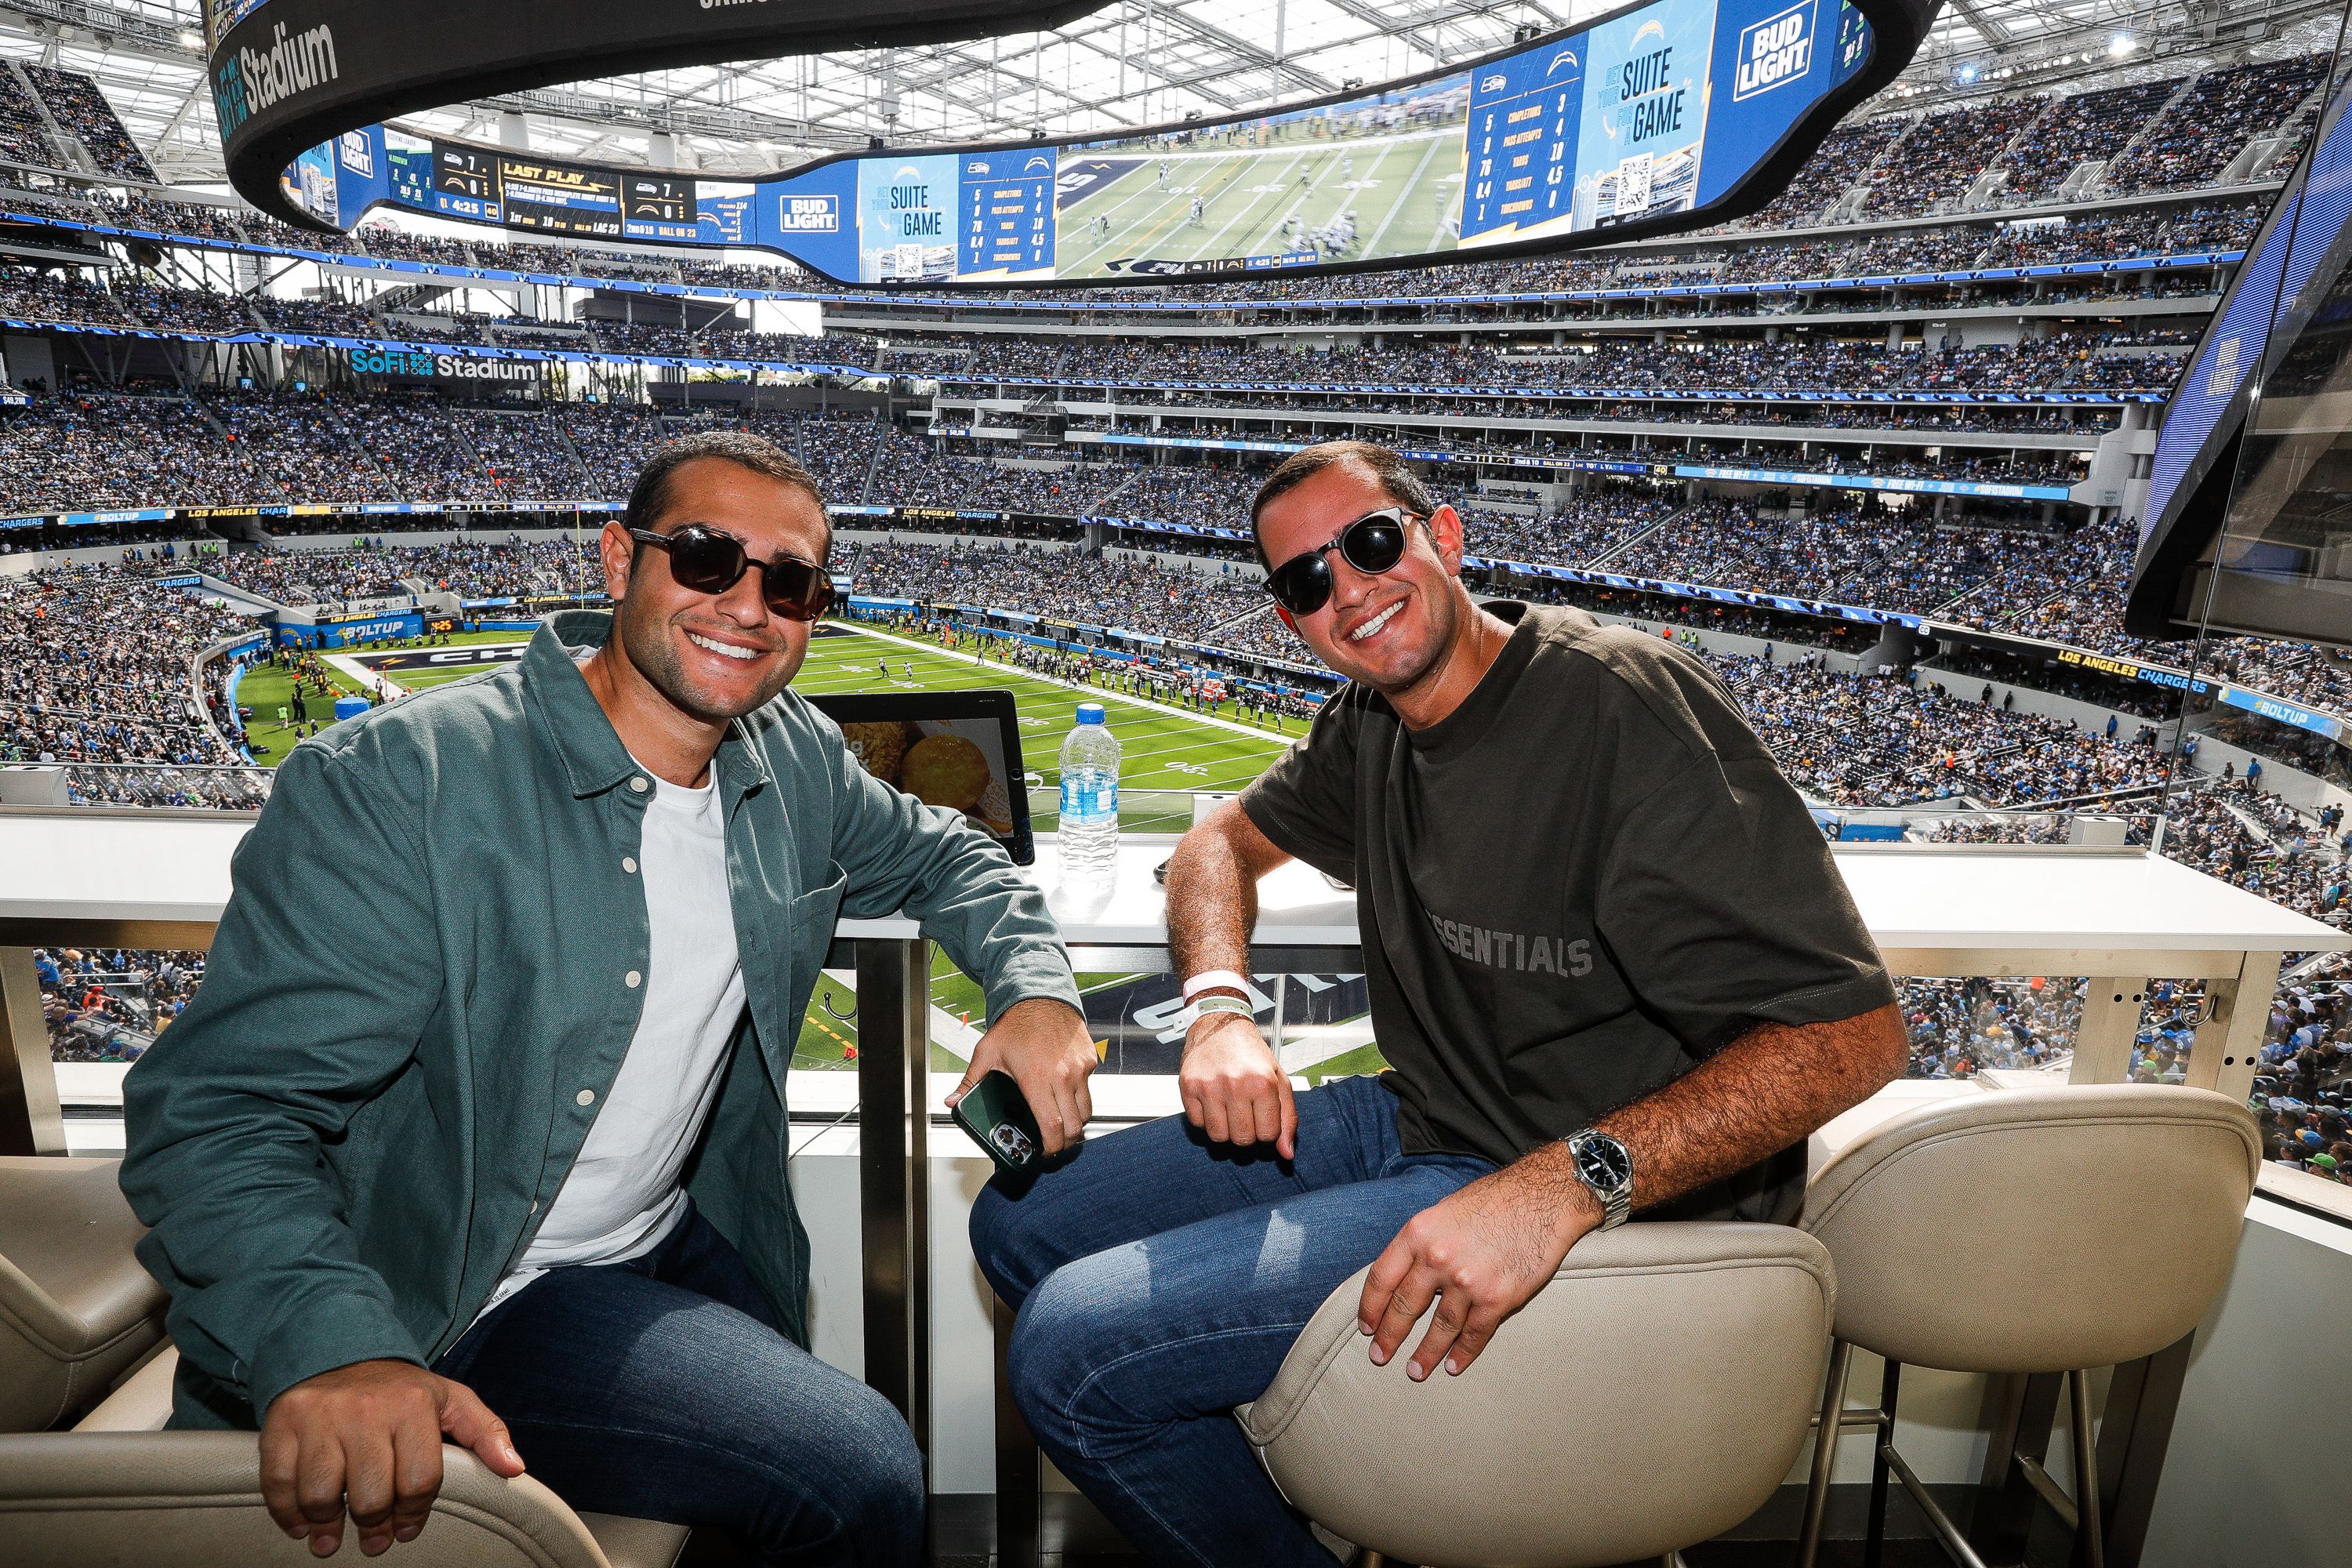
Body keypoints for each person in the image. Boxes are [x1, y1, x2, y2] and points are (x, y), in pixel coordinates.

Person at [122, 432, 1099, 1566]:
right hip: (465, 1293)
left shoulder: (791, 756)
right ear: (618, 561)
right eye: (706, 559)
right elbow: (220, 1112)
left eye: (790, 583)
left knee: (793, 1466)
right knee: (861, 1468)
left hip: (677, 1226)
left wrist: (1037, 993)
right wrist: (338, 1342)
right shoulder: (401, 782)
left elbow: (954, 856)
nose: (748, 606)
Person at [971, 441, 1908, 1567]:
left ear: (1445, 538)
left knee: (1070, 1355)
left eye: (1370, 543)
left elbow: (1853, 1036)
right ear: (1289, 619)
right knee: (1016, 1223)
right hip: (1424, 1119)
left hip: (1593, 1183)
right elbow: (1219, 841)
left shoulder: (1618, 706)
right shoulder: (1372, 723)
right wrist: (1219, 1007)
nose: (1348, 590)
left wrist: (1563, 1183)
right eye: (1305, 580)